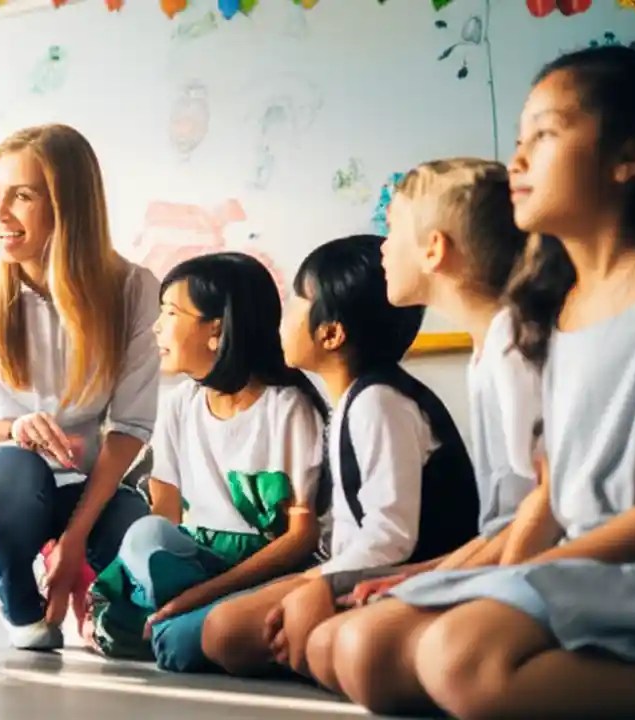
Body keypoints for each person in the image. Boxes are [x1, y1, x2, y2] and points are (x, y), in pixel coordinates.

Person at [316, 46, 635, 720]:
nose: (516, 161)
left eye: (544, 134)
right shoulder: (557, 310)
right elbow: (555, 488)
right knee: (361, 650)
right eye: (519, 139)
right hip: (579, 567)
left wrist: (529, 572)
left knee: (460, 660)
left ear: (631, 156)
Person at [277, 157, 541, 679]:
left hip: (529, 571)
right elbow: (500, 530)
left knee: (342, 646)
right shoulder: (486, 349)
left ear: (434, 249)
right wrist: (421, 579)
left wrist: (421, 581)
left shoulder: (513, 347)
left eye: (391, 230)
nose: (381, 248)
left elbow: (529, 525)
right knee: (327, 641)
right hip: (492, 560)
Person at [199, 234, 477, 677]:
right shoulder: (351, 400)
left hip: (408, 575)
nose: (282, 319)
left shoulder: (379, 402)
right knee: (220, 630)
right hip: (357, 569)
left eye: (295, 303)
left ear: (331, 333)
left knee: (225, 632)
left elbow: (390, 538)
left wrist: (312, 584)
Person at [0, 124, 158, 649]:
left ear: (68, 206)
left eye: (21, 196)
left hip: (94, 490)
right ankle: (20, 593)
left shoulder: (134, 289)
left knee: (139, 541)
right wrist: (14, 428)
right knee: (5, 469)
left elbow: (129, 428)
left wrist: (75, 539)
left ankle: (91, 588)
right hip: (8, 493)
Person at [85, 252, 327, 671]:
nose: (156, 326)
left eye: (171, 312)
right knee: (146, 537)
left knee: (174, 646)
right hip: (194, 557)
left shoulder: (287, 408)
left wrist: (202, 594)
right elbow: (165, 516)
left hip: (262, 568)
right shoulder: (180, 405)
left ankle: (183, 619)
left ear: (216, 327)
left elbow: (299, 539)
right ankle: (172, 617)